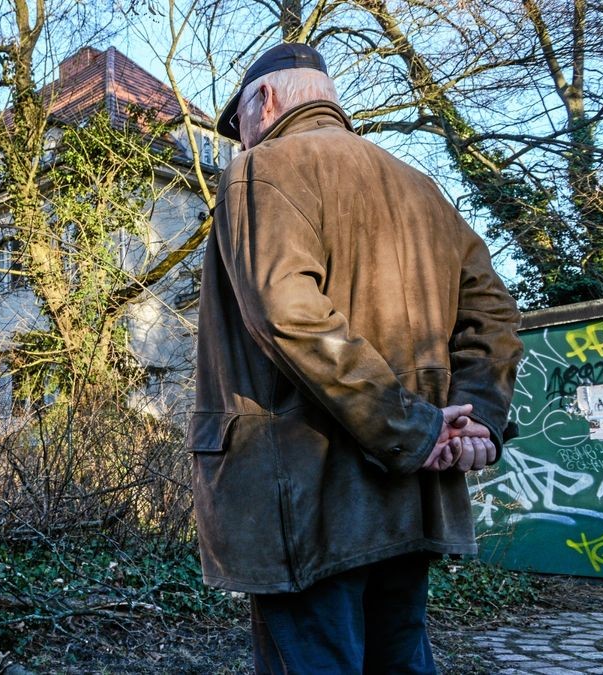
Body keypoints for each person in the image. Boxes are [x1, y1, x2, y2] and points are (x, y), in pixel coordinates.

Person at [188, 43, 523, 673]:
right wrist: (474, 420)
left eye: (241, 124)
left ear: (266, 100)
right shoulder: (421, 188)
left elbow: (288, 311)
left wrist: (412, 429)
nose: (242, 140)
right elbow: (495, 316)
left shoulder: (264, 169)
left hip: (307, 500)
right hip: (410, 497)